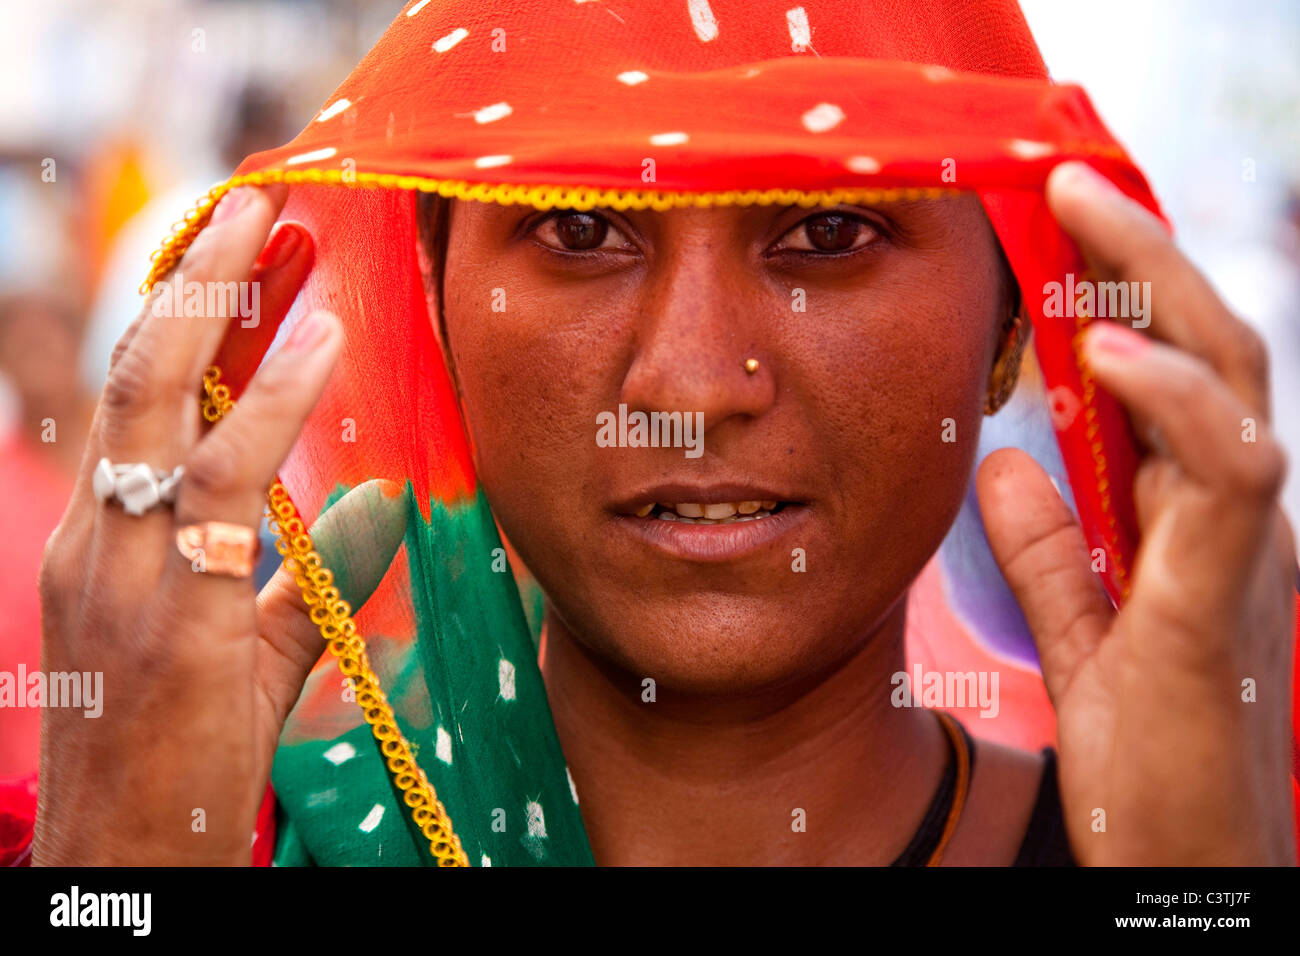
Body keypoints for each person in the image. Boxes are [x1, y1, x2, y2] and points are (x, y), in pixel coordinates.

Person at [12, 0, 1299, 867]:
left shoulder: (1189, 852)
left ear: (1011, 324)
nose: (690, 380)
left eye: (827, 232)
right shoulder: (193, 840)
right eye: (581, 232)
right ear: (438, 299)